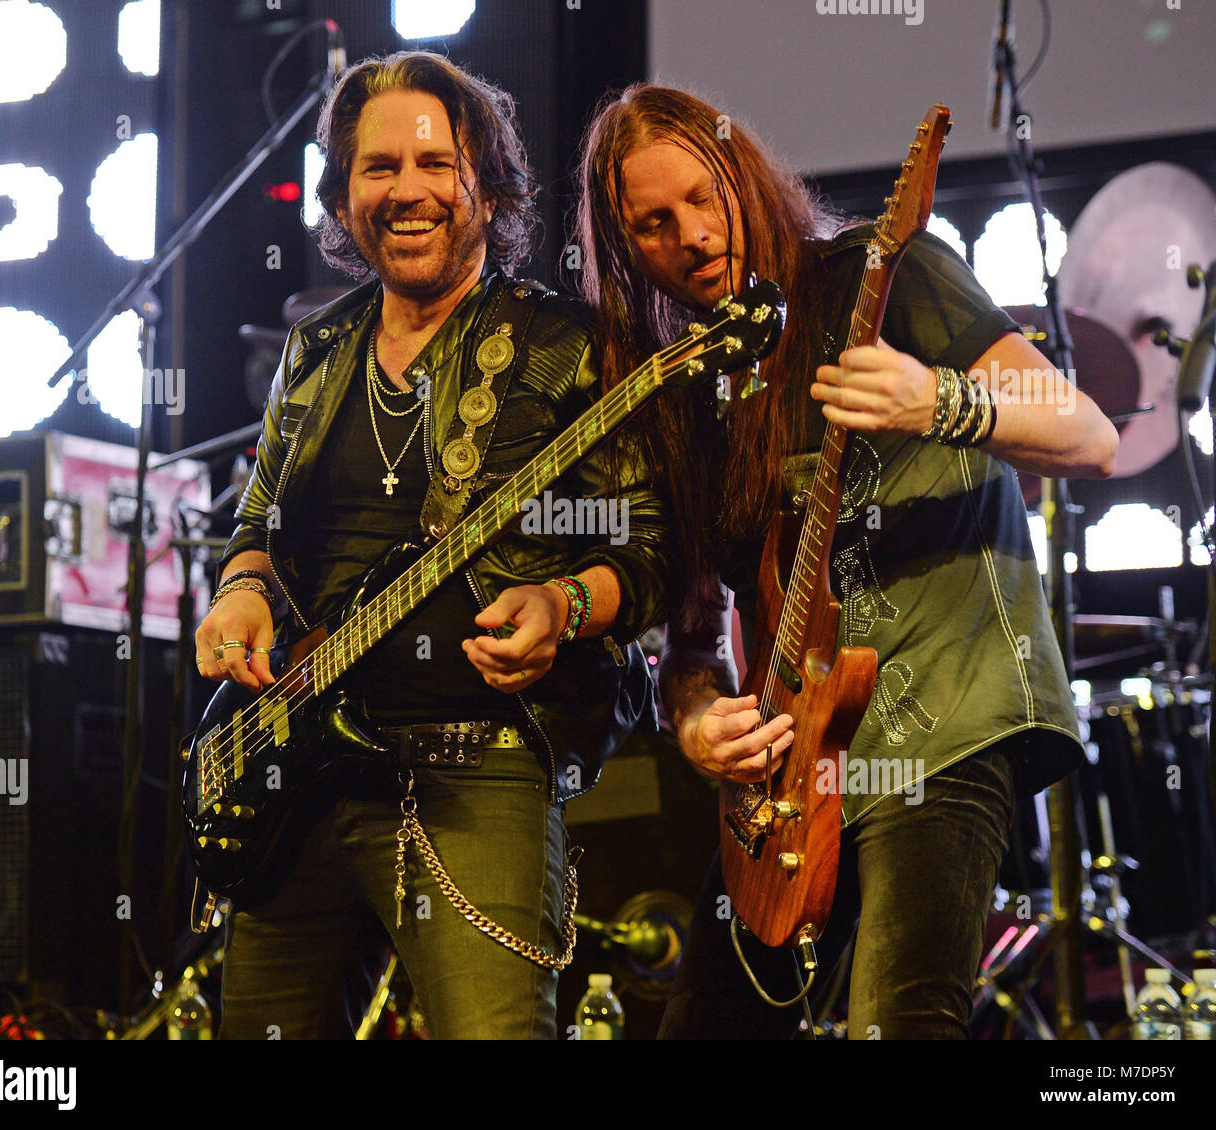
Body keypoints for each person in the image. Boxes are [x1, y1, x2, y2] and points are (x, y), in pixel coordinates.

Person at [574, 84, 1119, 1038]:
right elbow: (694, 636)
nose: (693, 235)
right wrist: (699, 718)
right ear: (625, 251)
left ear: (742, 174)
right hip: (793, 774)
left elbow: (1090, 434)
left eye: (704, 197)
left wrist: (937, 400)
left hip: (942, 719)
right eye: (653, 224)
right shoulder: (684, 392)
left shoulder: (891, 274)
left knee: (899, 1017)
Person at [194, 53, 668, 1039]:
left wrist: (564, 604)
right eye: (375, 167)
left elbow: (646, 546)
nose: (404, 188)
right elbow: (263, 530)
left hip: (479, 760)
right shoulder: (316, 351)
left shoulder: (571, 345)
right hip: (300, 770)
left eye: (433, 162)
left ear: (487, 187)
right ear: (342, 196)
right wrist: (242, 591)